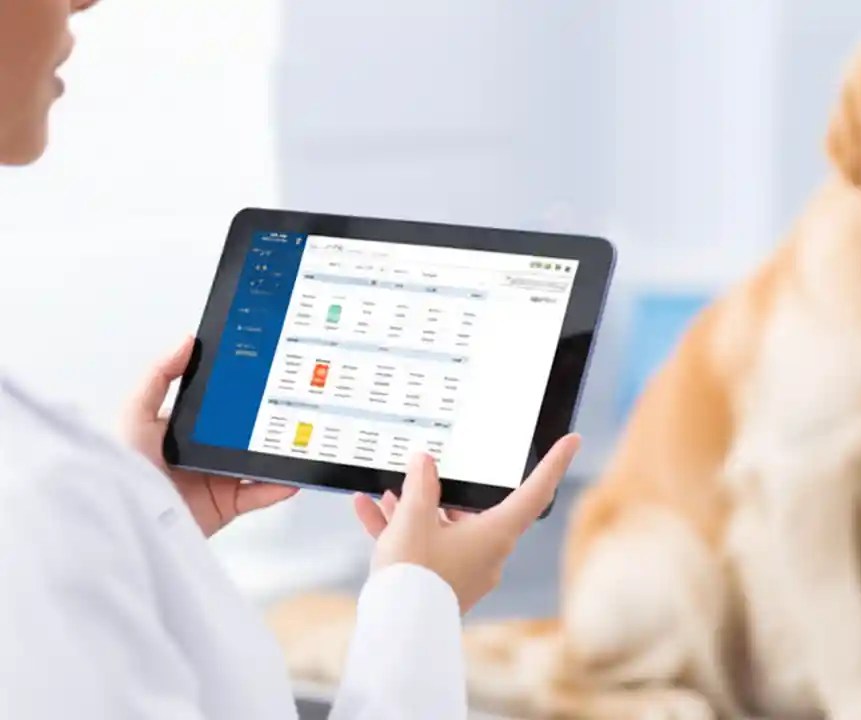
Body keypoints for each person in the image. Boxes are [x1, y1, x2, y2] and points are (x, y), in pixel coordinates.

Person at [0, 1, 580, 717]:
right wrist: (420, 601)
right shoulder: (30, 500)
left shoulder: (46, 495)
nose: (85, 1)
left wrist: (141, 517)